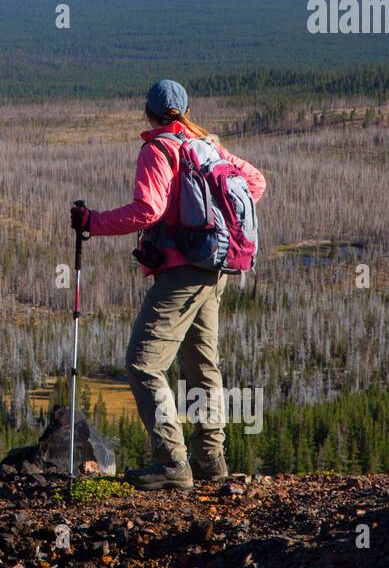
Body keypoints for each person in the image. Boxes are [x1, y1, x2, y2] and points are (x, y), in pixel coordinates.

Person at [70, 79, 266, 490]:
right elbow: (256, 183)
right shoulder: (206, 145)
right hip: (214, 269)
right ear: (186, 109)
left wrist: (93, 222)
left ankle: (171, 463)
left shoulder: (159, 148)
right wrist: (211, 225)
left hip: (180, 273)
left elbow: (147, 210)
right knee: (201, 366)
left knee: (143, 363)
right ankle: (210, 462)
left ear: (149, 112)